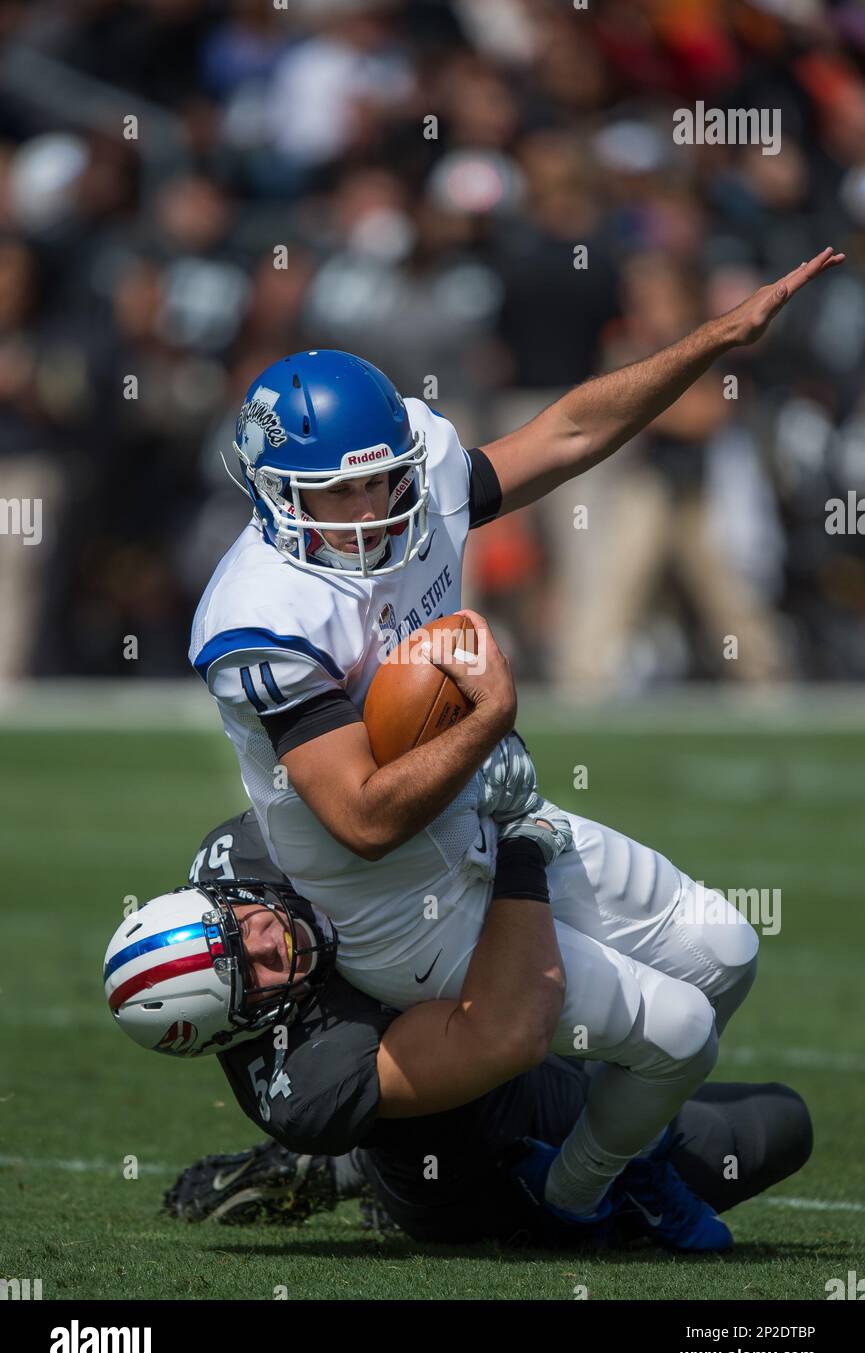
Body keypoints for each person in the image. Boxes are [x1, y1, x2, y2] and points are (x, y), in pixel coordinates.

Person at [187, 250, 841, 1240]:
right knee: (678, 1030)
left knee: (724, 952)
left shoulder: (423, 475)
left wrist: (710, 340)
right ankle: (573, 1197)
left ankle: (599, 1149)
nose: (371, 513)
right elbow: (363, 820)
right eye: (338, 496)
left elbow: (572, 429)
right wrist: (487, 722)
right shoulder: (261, 615)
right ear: (277, 492)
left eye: (381, 483)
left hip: (481, 813)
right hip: (390, 904)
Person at [106, 799, 812, 1250]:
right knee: (781, 1124)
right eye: (250, 978)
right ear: (238, 1032)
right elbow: (507, 1031)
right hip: (484, 1144)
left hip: (513, 1017)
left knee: (711, 974)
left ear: (215, 895)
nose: (271, 945)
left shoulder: (251, 847)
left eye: (238, 928)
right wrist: (521, 855)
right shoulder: (307, 1080)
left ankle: (354, 1165)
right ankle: (381, 1176)